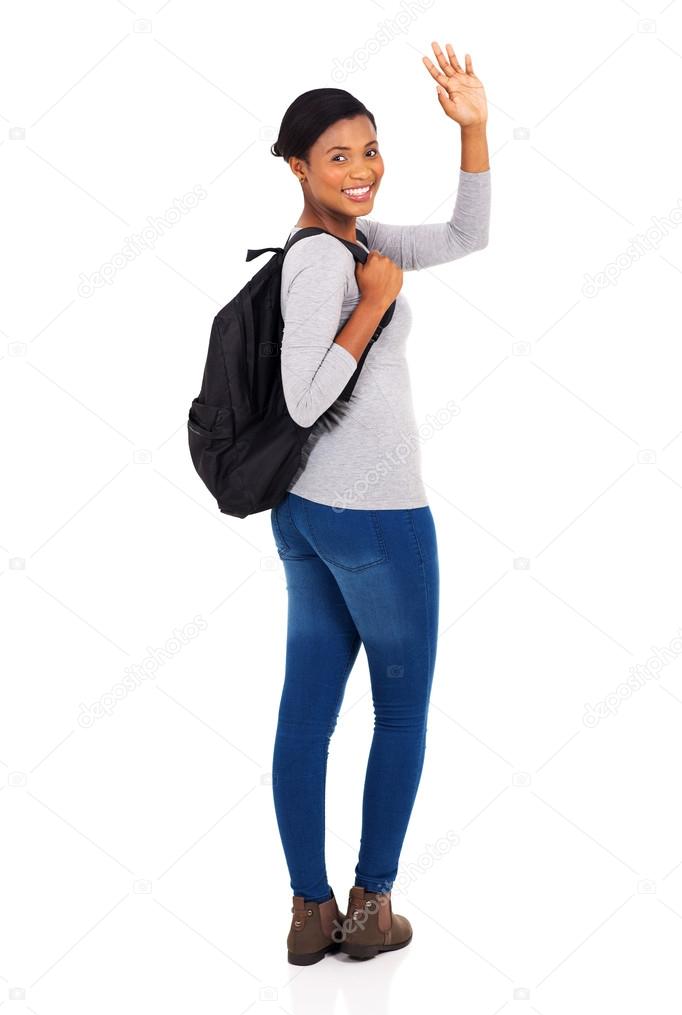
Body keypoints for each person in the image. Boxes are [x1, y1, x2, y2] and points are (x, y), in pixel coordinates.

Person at [268, 41, 491, 964]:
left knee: (307, 716)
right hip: (378, 519)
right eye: (338, 156)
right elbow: (304, 398)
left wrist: (473, 129)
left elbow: (466, 236)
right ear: (297, 167)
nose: (361, 170)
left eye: (370, 149)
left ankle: (309, 912)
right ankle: (369, 910)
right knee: (397, 715)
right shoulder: (328, 262)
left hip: (307, 514)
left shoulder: (360, 241)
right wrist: (373, 306)